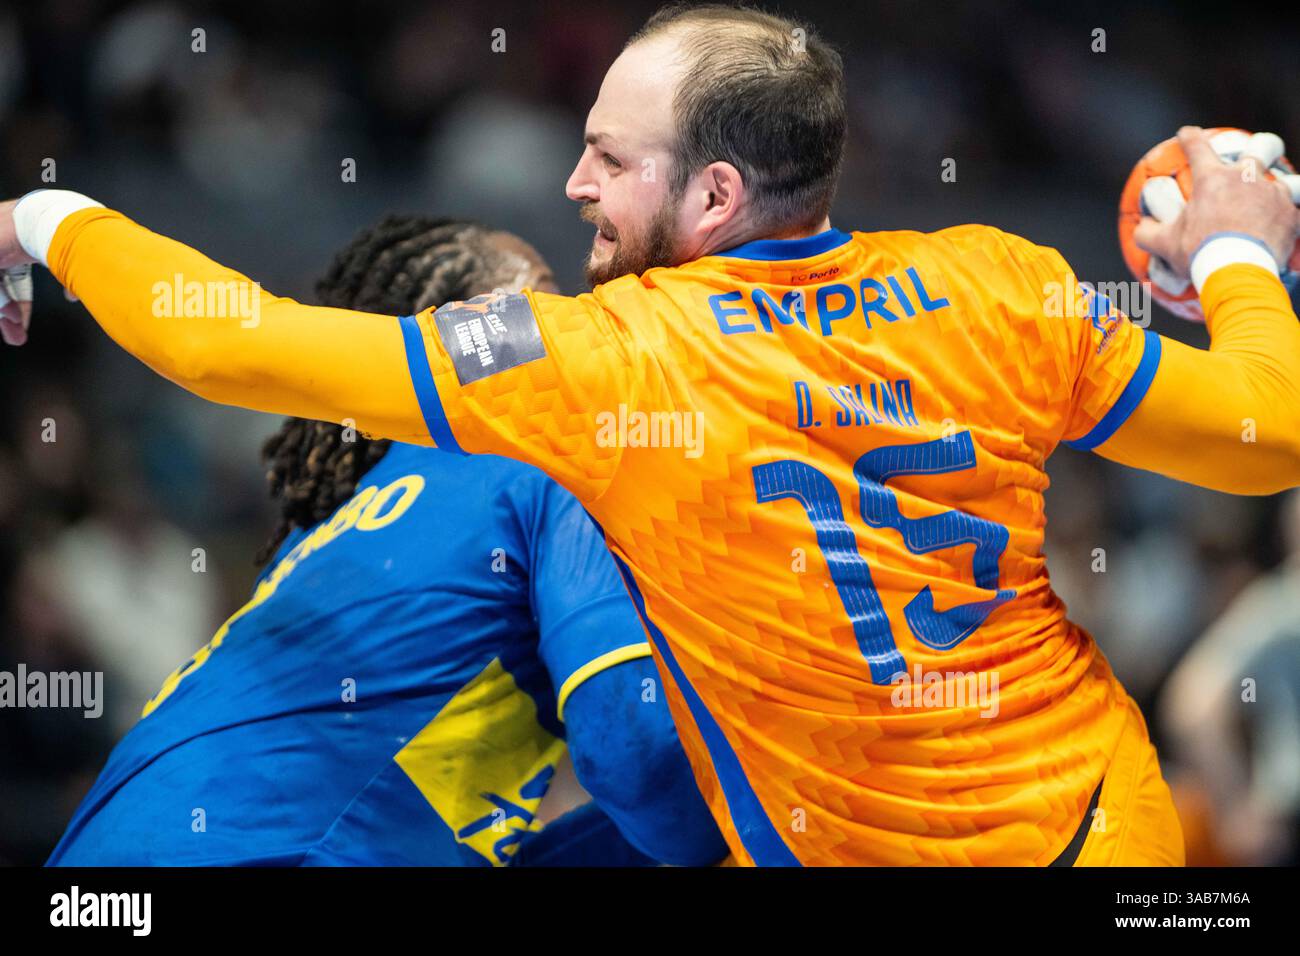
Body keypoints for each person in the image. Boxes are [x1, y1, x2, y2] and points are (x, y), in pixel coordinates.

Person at [4, 3, 1298, 866]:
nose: (574, 186)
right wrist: (1237, 251)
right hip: (1106, 829)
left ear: (713, 192)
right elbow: (1269, 432)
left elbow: (229, 343)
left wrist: (45, 220)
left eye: (607, 160)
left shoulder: (595, 355)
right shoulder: (1002, 280)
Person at [43, 214, 726, 866]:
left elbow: (395, 817)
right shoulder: (541, 463)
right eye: (540, 305)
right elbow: (643, 763)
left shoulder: (318, 536)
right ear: (437, 337)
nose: (565, 329)